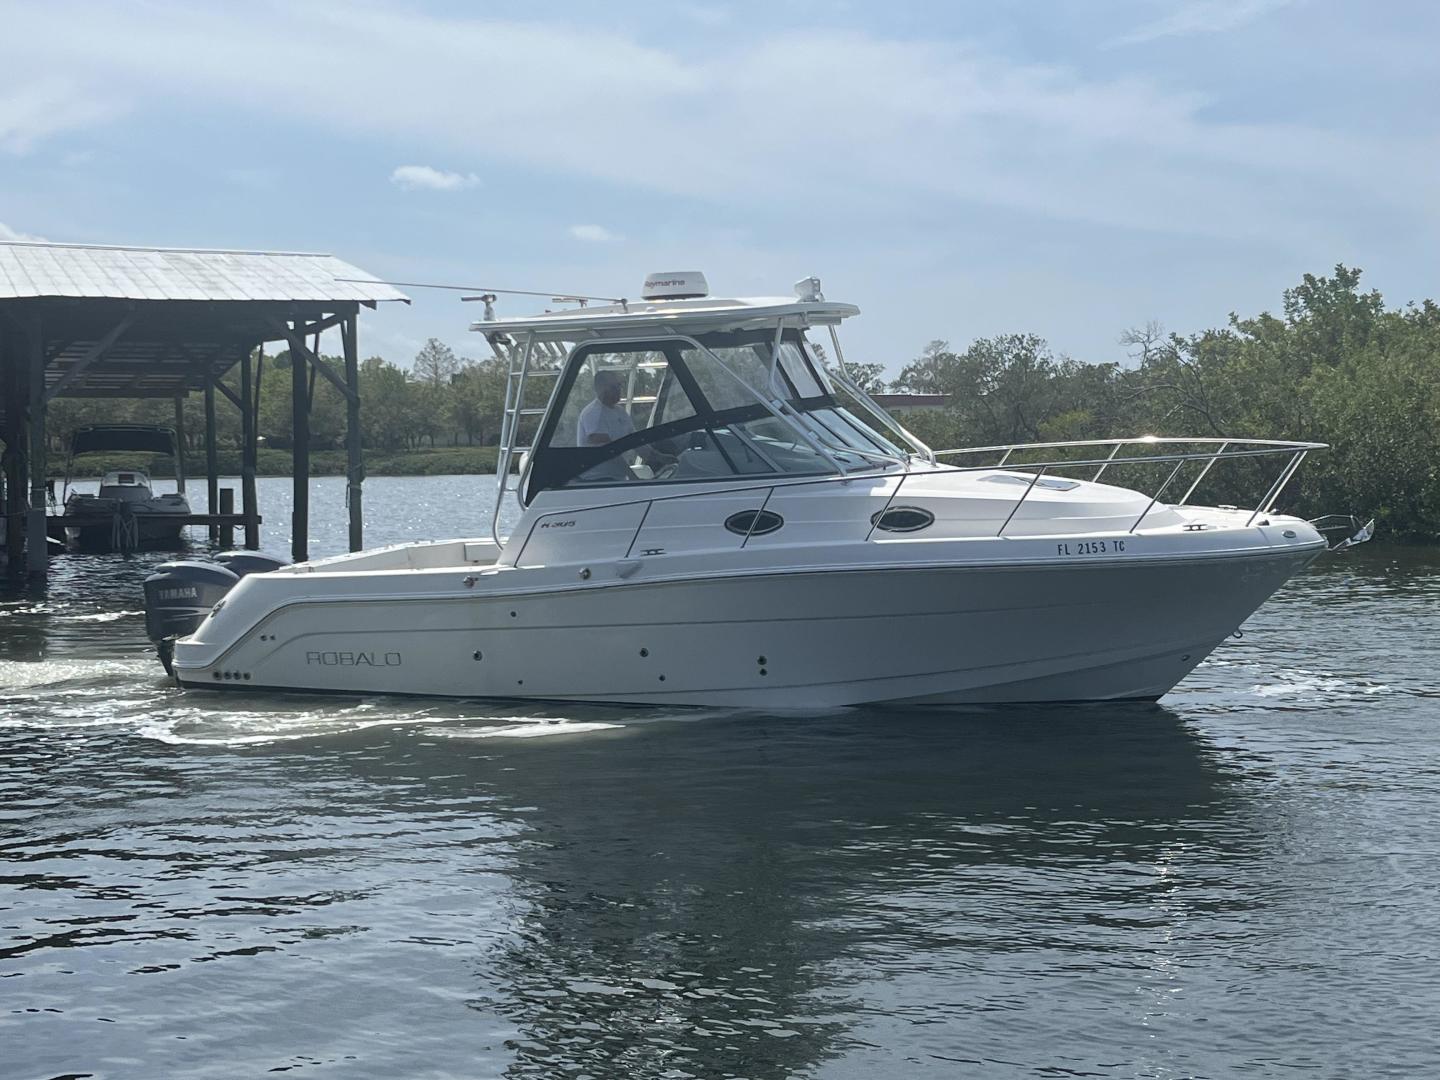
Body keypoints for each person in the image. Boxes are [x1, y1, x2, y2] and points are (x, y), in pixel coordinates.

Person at [576, 370, 635, 447]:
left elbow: (634, 438)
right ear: (600, 389)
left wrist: (651, 455)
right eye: (613, 387)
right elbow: (605, 448)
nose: (618, 390)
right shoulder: (592, 413)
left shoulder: (620, 411)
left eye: (619, 385)